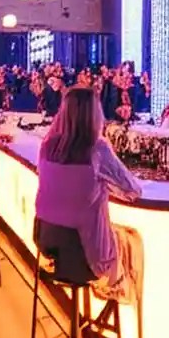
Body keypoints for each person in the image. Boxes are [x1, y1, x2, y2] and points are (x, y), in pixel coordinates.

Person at [33, 87, 142, 286]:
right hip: (84, 258)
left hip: (46, 243)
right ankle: (114, 300)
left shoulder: (47, 146)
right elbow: (133, 190)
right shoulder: (97, 148)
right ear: (95, 114)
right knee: (130, 241)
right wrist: (105, 186)